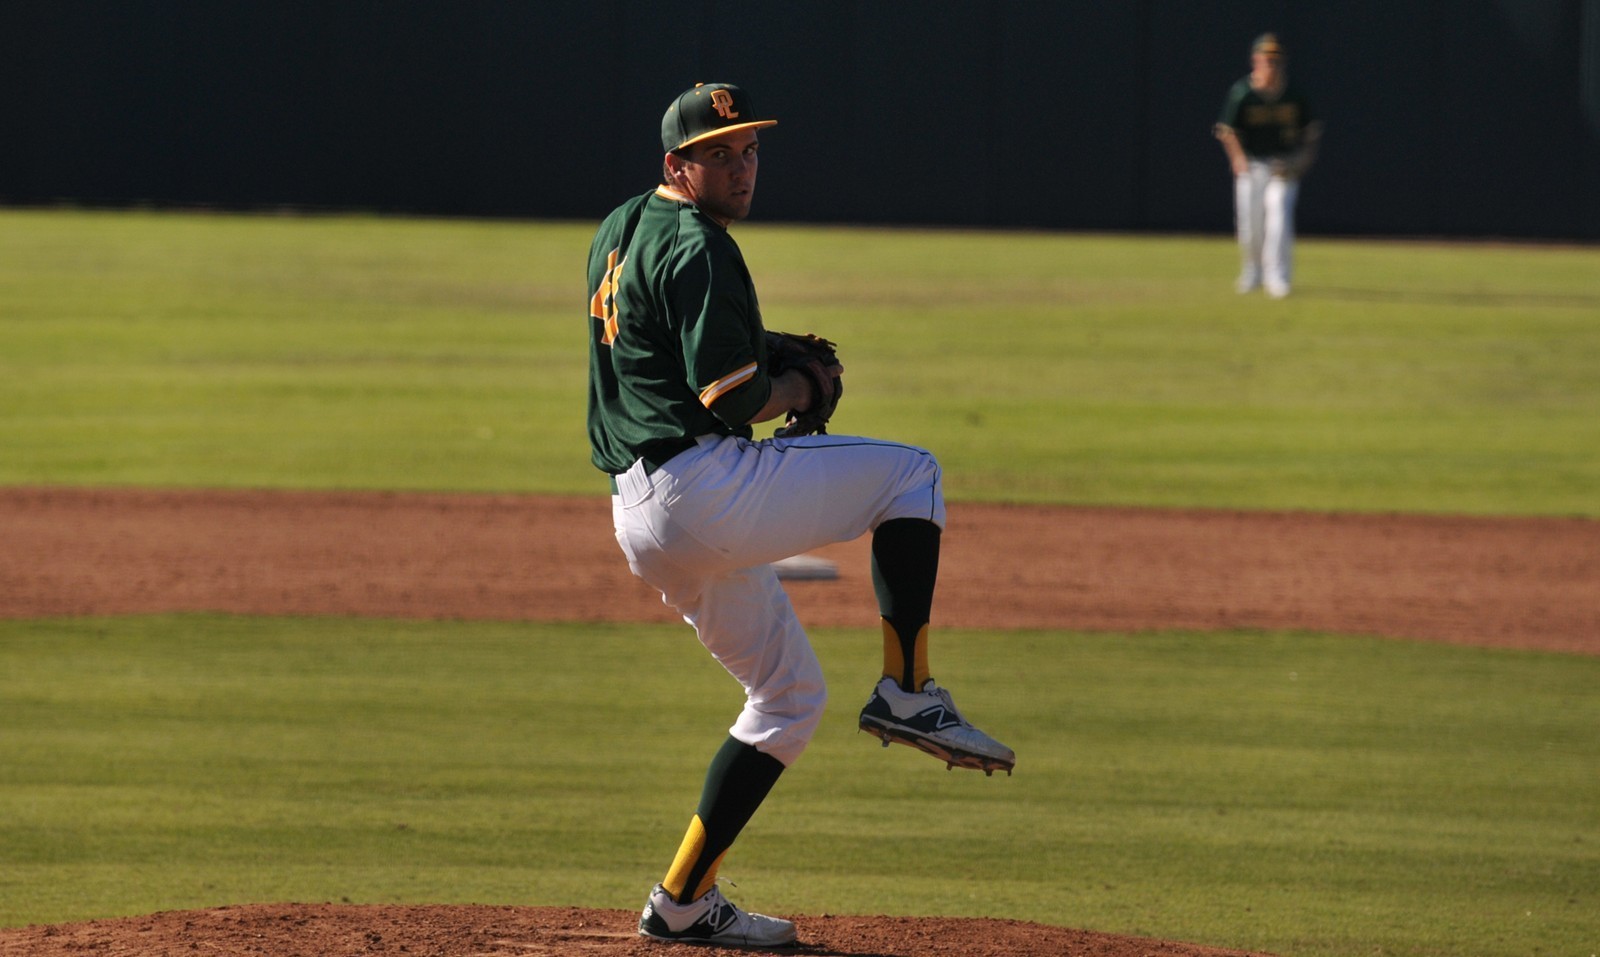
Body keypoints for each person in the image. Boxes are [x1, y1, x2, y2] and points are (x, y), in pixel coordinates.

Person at [585, 82, 1016, 949]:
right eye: (719, 153)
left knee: (787, 698)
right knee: (913, 478)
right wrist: (799, 383)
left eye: (747, 149)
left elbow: (663, 337)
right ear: (680, 165)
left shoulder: (624, 225)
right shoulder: (704, 247)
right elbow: (736, 396)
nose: (741, 166)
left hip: (641, 514)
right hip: (706, 487)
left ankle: (680, 902)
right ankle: (909, 691)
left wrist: (772, 349)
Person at [1214, 33, 1323, 298]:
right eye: (1266, 59)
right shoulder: (1243, 93)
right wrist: (1238, 159)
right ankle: (1252, 271)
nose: (1271, 66)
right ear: (1255, 61)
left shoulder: (1293, 93)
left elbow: (1311, 134)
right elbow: (1227, 131)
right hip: (1252, 165)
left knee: (1278, 215)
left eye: (1276, 60)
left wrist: (1300, 162)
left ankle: (1277, 276)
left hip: (1282, 166)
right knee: (1250, 223)